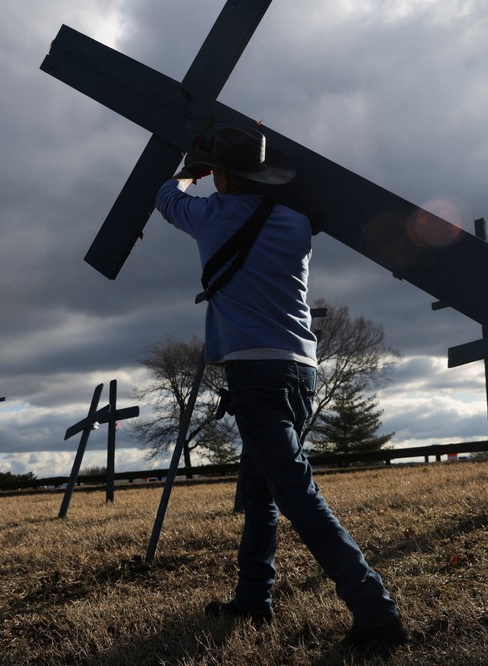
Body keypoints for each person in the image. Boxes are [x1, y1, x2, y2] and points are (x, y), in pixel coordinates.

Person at [155, 126, 410, 652]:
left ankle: (376, 613)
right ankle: (253, 600)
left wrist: (186, 172)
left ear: (221, 176)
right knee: (260, 490)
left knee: (296, 494)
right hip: (302, 371)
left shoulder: (209, 215)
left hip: (253, 374)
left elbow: (164, 198)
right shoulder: (295, 224)